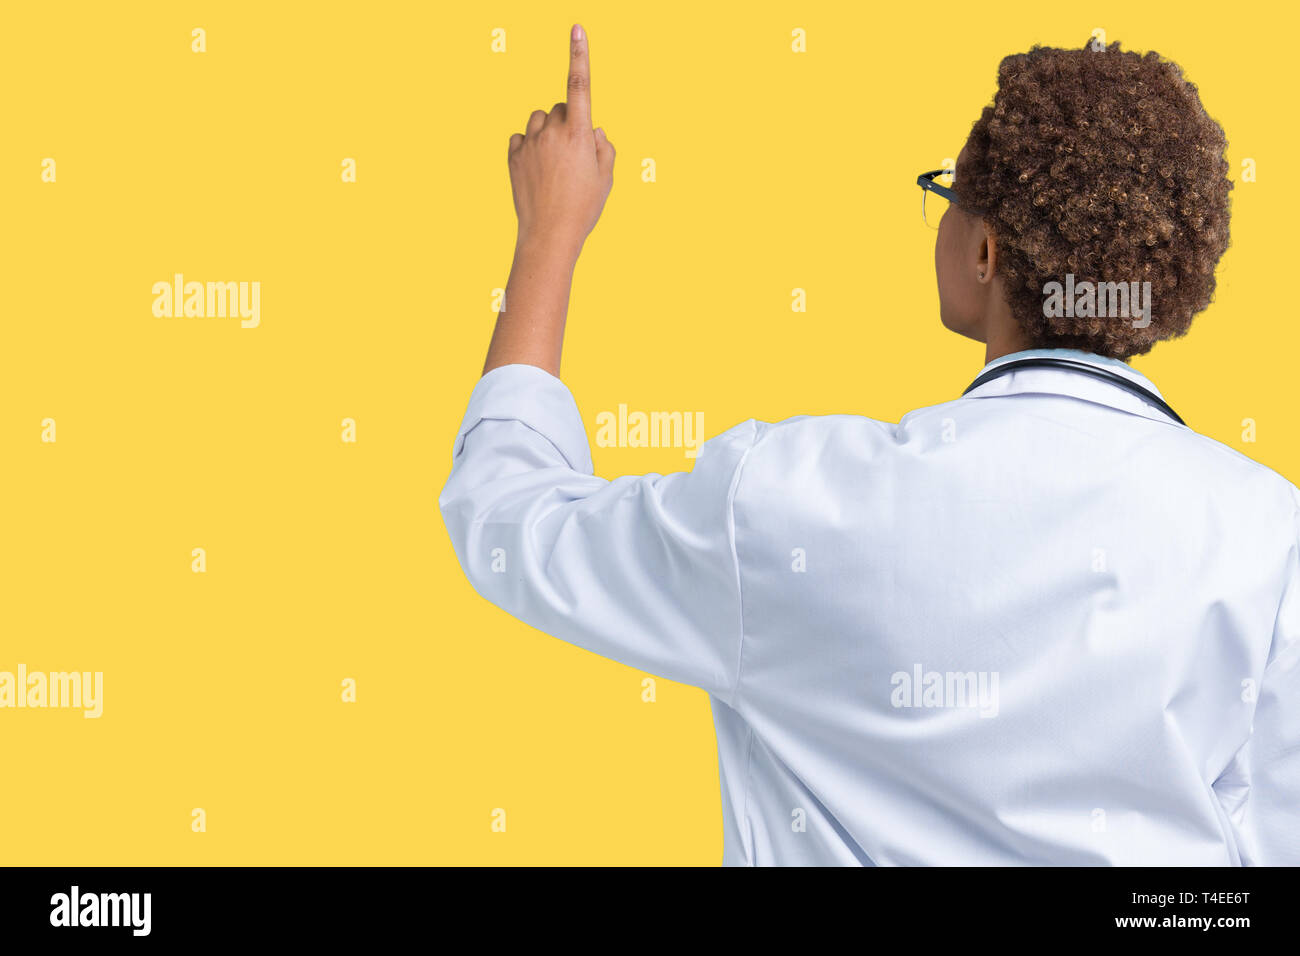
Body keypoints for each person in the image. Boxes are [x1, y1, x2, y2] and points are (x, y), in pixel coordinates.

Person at [439, 25, 1299, 865]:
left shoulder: (788, 500)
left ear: (986, 251)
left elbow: (506, 519)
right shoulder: (1272, 533)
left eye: (947, 194)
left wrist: (549, 233)